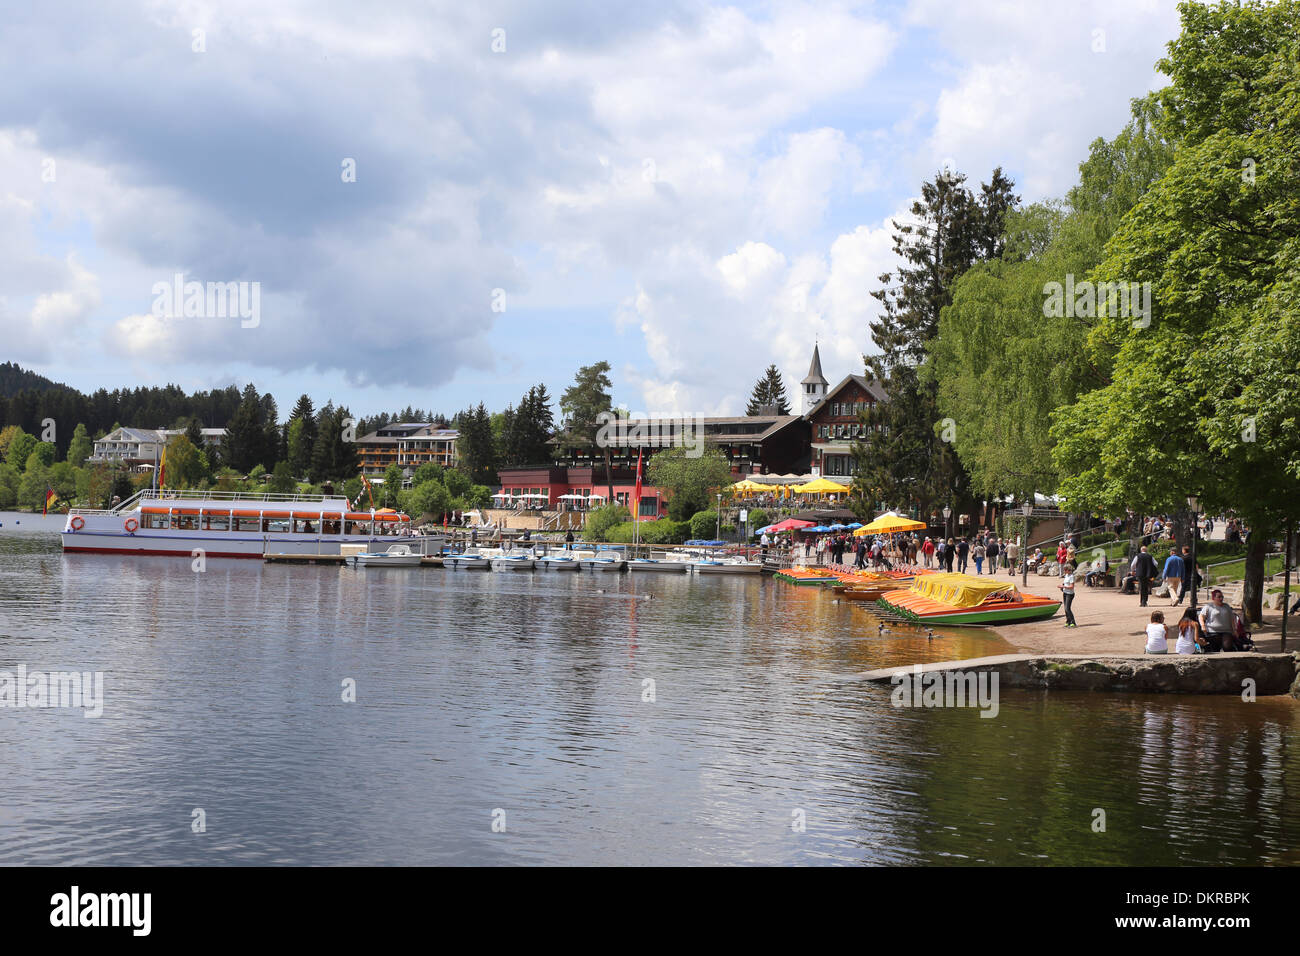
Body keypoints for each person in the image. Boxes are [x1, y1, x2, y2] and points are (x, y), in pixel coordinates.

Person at [1060, 562, 1077, 628]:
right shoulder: (1066, 575)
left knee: (1067, 608)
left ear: (1068, 569)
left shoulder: (1071, 576)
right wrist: (1062, 586)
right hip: (1065, 593)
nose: (1064, 571)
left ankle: (1073, 622)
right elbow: (1065, 583)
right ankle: (1068, 621)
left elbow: (1072, 586)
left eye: (1065, 569)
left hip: (1070, 594)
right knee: (1065, 608)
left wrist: (1064, 587)